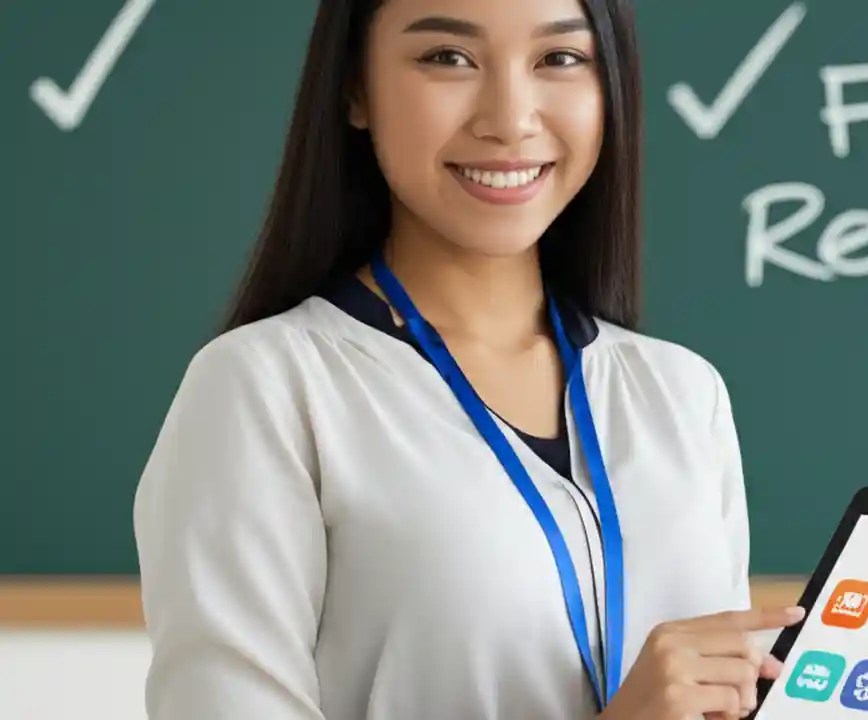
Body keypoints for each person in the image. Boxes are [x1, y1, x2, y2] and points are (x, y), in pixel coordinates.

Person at [132, 1, 805, 718]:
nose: (510, 118)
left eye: (559, 59)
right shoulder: (264, 387)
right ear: (354, 90)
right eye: (448, 58)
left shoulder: (680, 391)